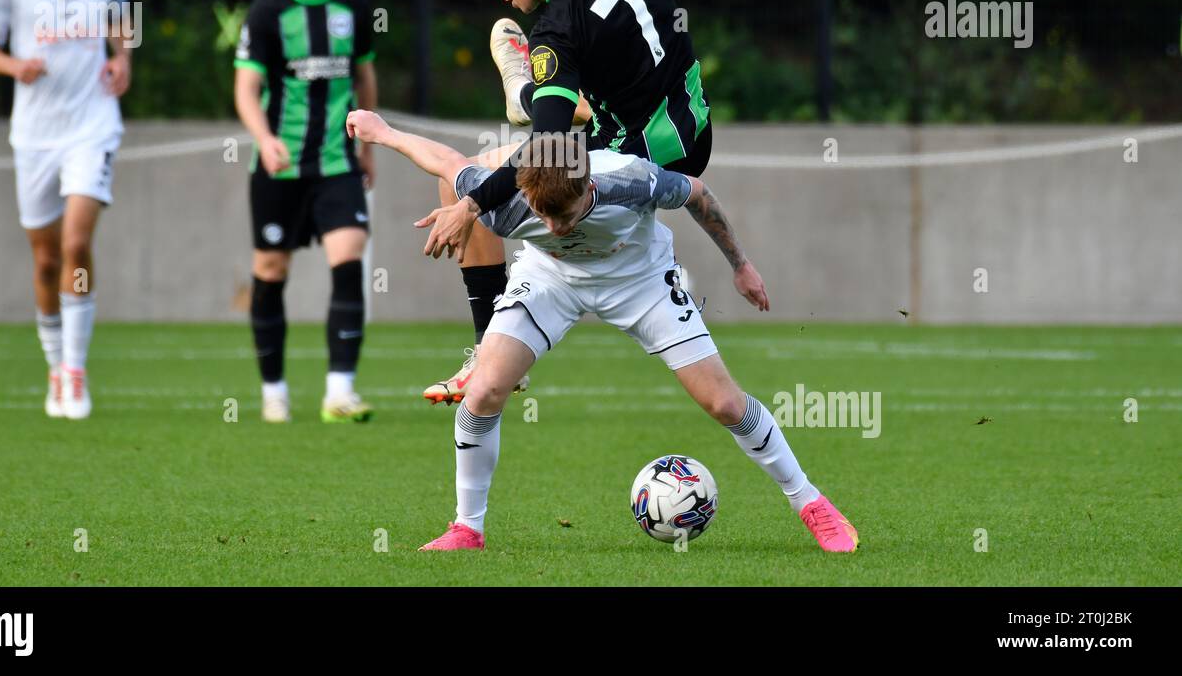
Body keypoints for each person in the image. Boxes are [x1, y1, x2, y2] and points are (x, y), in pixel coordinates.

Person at [422, 0, 879, 401]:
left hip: (640, 156)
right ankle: (542, 100)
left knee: (473, 176)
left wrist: (471, 205)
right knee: (547, 145)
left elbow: (547, 151)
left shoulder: (557, 33)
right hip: (693, 127)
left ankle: (488, 349)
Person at [346, 109, 859, 553]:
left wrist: (740, 265)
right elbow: (446, 161)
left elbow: (700, 196)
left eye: (566, 215)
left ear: (588, 185)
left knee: (724, 403)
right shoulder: (504, 204)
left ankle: (811, 503)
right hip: (551, 280)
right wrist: (384, 132)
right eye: (544, 216)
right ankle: (466, 528)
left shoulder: (630, 179)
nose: (556, 228)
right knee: (482, 391)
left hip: (641, 283)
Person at [0, 0, 132, 420]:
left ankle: (78, 372)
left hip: (92, 128)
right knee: (44, 259)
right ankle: (55, 366)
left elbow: (124, 28)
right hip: (35, 136)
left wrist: (121, 61)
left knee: (77, 242)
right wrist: (14, 66)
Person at [233, 0, 377, 423]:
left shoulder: (354, 6)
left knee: (349, 257)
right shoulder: (268, 10)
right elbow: (246, 89)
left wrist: (367, 145)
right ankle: (274, 391)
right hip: (281, 166)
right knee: (270, 271)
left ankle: (340, 392)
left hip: (337, 162)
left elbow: (364, 77)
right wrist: (265, 138)